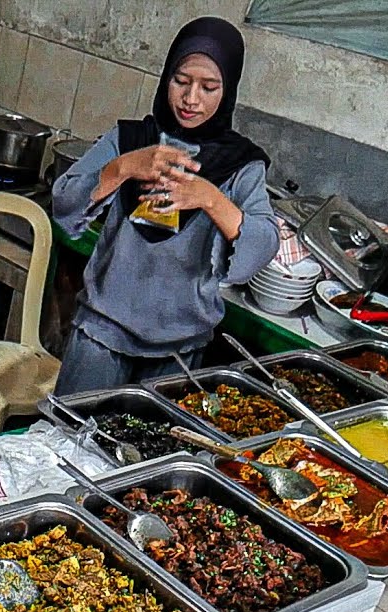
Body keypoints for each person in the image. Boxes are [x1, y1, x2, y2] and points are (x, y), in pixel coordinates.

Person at [52, 17, 279, 394]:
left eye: (209, 87)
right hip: (102, 332)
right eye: (181, 81)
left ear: (229, 90)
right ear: (165, 78)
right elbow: (64, 201)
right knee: (71, 437)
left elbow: (263, 244)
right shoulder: (130, 139)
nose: (191, 99)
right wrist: (123, 167)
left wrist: (209, 197)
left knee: (150, 453)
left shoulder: (241, 165)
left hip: (179, 347)